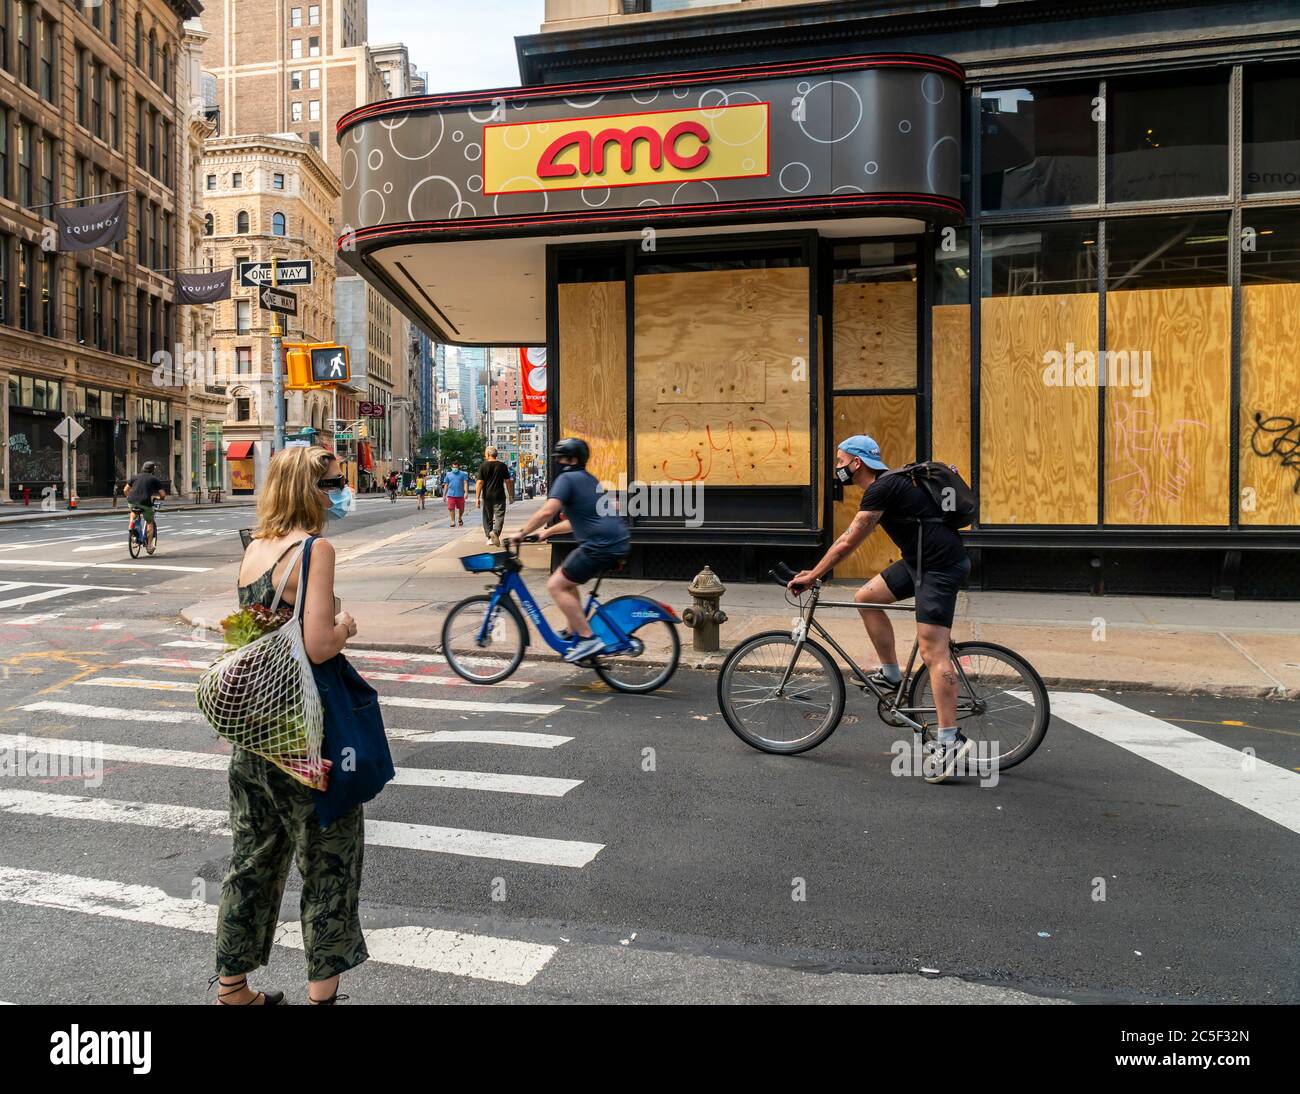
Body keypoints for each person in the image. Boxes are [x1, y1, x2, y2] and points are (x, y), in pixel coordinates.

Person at [213, 446, 364, 1005]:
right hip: (304, 736)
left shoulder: (256, 547)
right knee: (329, 864)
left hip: (255, 733)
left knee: (251, 861)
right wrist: (345, 624)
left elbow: (260, 625)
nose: (340, 491)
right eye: (332, 483)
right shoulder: (313, 549)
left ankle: (233, 990)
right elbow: (319, 645)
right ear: (309, 490)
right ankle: (322, 998)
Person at [788, 435, 973, 784]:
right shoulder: (891, 485)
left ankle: (950, 740)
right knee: (867, 597)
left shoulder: (882, 487)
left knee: (934, 651)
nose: (838, 469)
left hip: (940, 567)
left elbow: (848, 541)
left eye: (841, 461)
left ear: (857, 463)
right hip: (919, 562)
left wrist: (814, 574)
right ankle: (891, 672)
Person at [508, 437, 629, 663]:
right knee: (568, 580)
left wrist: (522, 533)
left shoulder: (567, 478)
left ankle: (587, 638)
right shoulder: (587, 479)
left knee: (555, 585)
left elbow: (547, 511)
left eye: (561, 458)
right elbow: (580, 519)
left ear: (572, 459)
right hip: (611, 542)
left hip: (600, 546)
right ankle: (574, 631)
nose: (558, 462)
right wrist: (546, 533)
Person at [476, 446, 514, 547]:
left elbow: (479, 482)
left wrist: (477, 498)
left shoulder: (483, 466)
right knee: (499, 516)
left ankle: (489, 538)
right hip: (499, 495)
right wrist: (510, 495)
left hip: (487, 496)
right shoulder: (502, 466)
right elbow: (508, 481)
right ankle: (495, 532)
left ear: (488, 454)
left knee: (487, 517)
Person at [124, 461, 167, 544]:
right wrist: (159, 498)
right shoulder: (154, 479)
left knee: (133, 511)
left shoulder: (134, 477)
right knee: (150, 522)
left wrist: (129, 497)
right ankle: (149, 545)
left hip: (132, 500)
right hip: (145, 502)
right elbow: (163, 494)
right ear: (152, 470)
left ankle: (131, 523)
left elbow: (125, 489)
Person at [442, 460, 469, 527]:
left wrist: (466, 492)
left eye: (456, 467)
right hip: (451, 495)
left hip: (460, 495)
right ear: (451, 467)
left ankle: (460, 518)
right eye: (454, 467)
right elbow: (446, 484)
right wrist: (444, 495)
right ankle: (453, 521)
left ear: (458, 467)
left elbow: (465, 483)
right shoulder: (448, 474)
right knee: (451, 508)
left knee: (462, 509)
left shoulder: (463, 474)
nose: (455, 469)